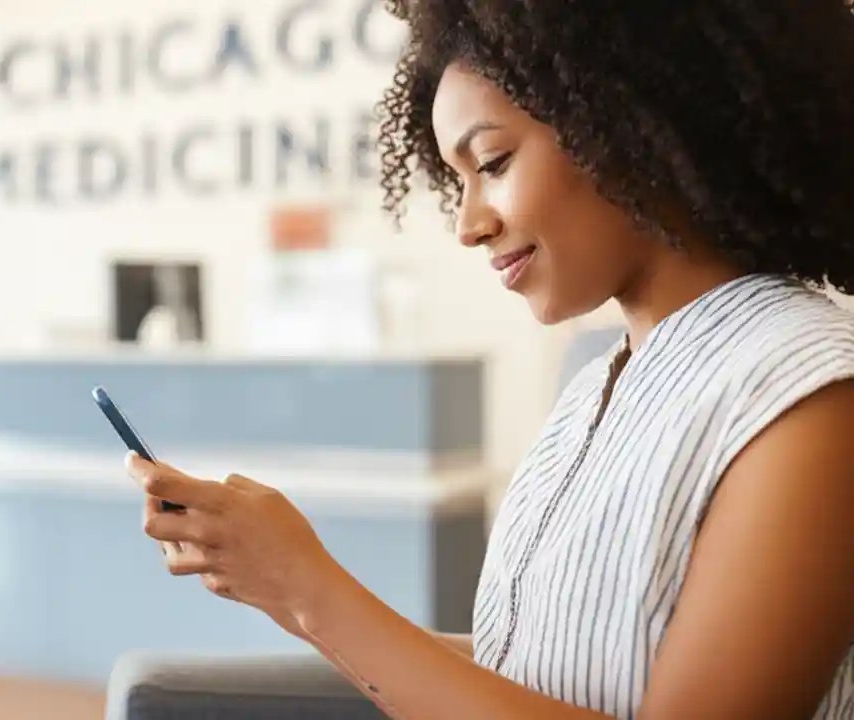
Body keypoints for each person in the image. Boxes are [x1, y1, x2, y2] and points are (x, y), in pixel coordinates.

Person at [124, 1, 854, 717]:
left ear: (625, 123)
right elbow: (538, 670)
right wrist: (286, 591)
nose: (469, 224)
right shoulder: (595, 390)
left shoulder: (806, 400)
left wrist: (310, 590)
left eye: (493, 163)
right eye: (459, 182)